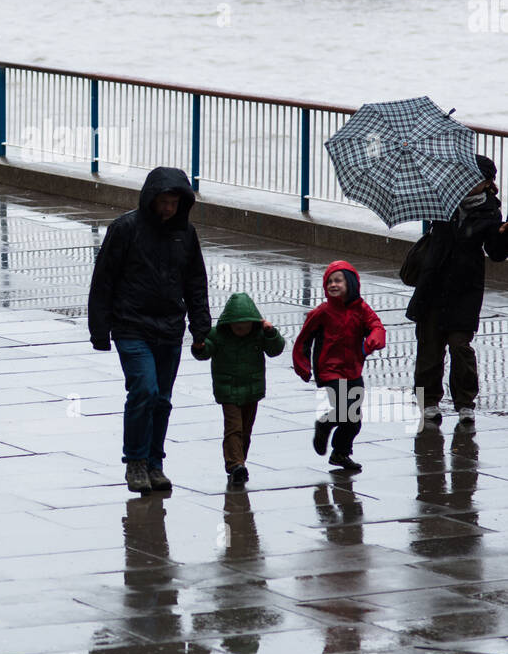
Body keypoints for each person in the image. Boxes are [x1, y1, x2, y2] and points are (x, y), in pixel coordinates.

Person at [88, 168, 211, 493]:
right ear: (151, 199)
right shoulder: (125, 228)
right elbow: (104, 280)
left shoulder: (185, 234)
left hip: (170, 328)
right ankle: (136, 463)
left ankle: (155, 464)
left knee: (163, 400)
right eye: (163, 201)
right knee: (144, 390)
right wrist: (100, 331)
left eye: (174, 203)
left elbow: (196, 284)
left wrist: (202, 331)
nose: (168, 208)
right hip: (131, 326)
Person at [406, 154, 508, 428]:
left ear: (487, 183)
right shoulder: (442, 199)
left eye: (474, 179)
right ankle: (428, 402)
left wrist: (505, 233)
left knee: (460, 346)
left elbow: (496, 253)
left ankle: (465, 404)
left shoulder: (490, 212)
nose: (467, 183)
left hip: (465, 289)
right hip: (433, 283)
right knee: (429, 346)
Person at [292, 260, 385, 474]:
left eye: (338, 281)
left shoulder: (361, 309)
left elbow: (376, 326)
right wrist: (303, 366)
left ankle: (340, 453)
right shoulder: (322, 312)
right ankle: (324, 425)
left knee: (354, 419)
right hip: (330, 369)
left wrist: (374, 339)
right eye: (329, 282)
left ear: (350, 283)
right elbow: (303, 339)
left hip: (353, 368)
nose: (333, 285)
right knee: (344, 409)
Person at [191, 292, 285, 486]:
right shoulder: (217, 335)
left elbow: (275, 349)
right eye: (237, 326)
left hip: (252, 390)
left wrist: (271, 333)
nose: (240, 330)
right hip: (228, 391)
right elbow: (205, 351)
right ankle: (235, 465)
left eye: (244, 326)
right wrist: (199, 346)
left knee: (246, 430)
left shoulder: (259, 334)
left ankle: (239, 462)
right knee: (234, 428)